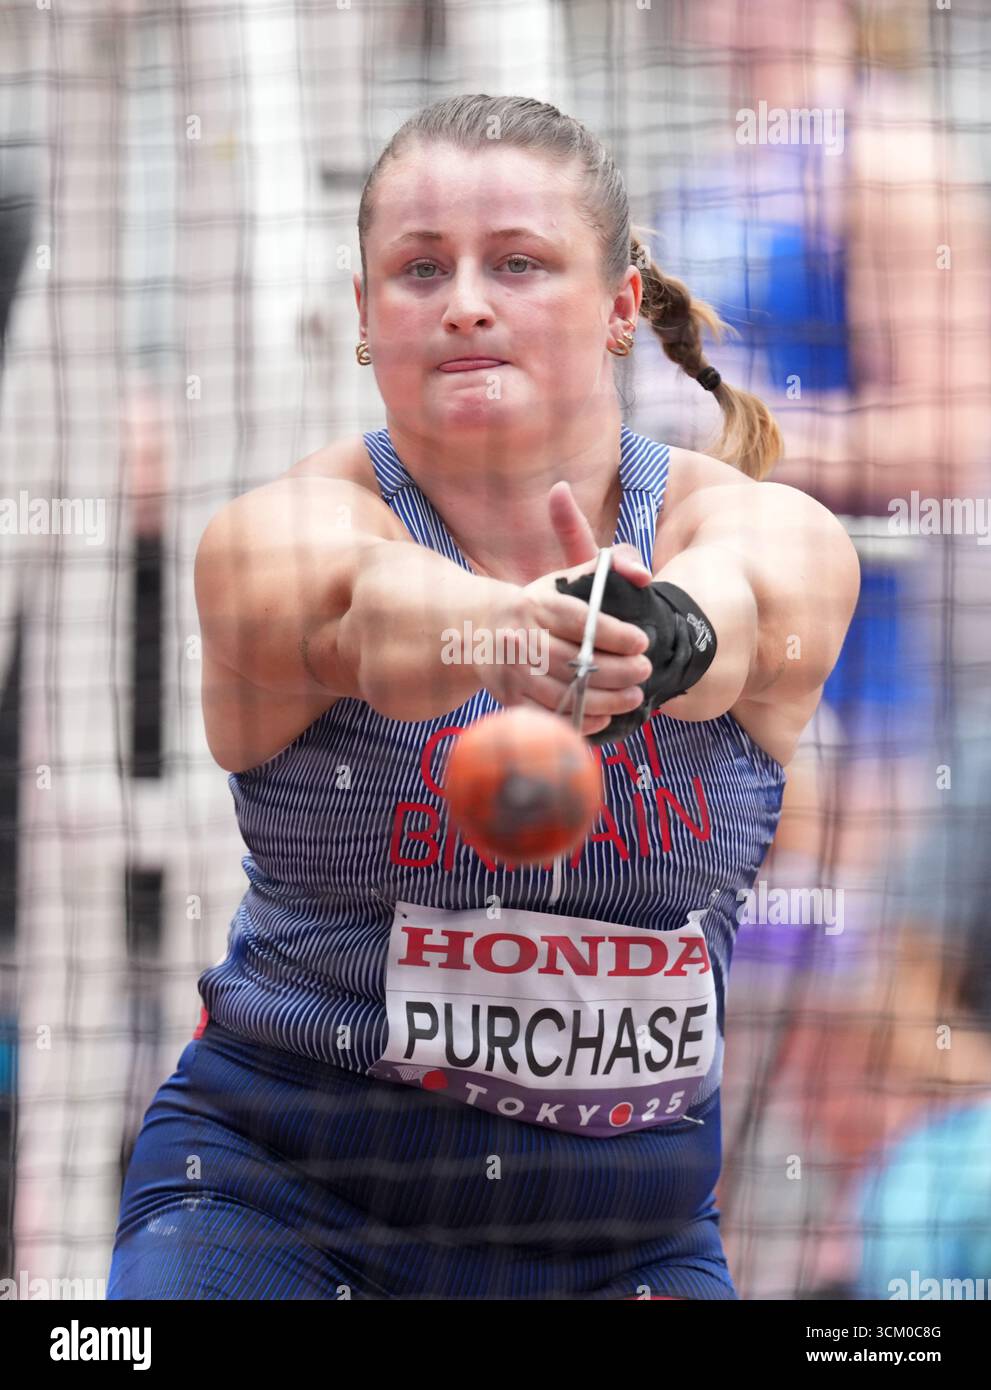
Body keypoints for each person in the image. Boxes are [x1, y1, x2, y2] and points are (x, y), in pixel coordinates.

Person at [106, 93, 859, 1301]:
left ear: (622, 305)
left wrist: (650, 632)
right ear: (363, 317)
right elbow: (359, 609)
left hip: (623, 1245)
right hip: (281, 1199)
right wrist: (505, 630)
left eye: (517, 262)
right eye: (418, 269)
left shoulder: (764, 527)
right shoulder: (273, 531)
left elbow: (747, 610)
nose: (464, 298)